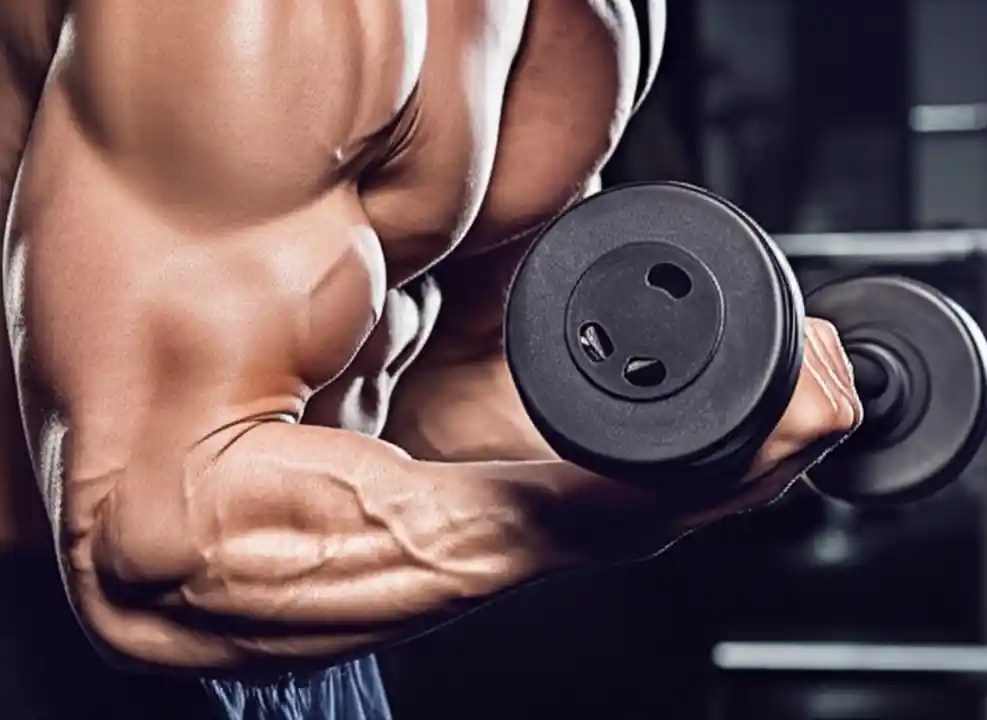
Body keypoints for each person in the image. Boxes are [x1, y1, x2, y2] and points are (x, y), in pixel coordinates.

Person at [1, 2, 861, 718]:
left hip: (314, 631)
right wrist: (614, 512)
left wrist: (713, 427)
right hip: (59, 642)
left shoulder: (602, 20)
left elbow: (446, 392)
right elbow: (148, 542)